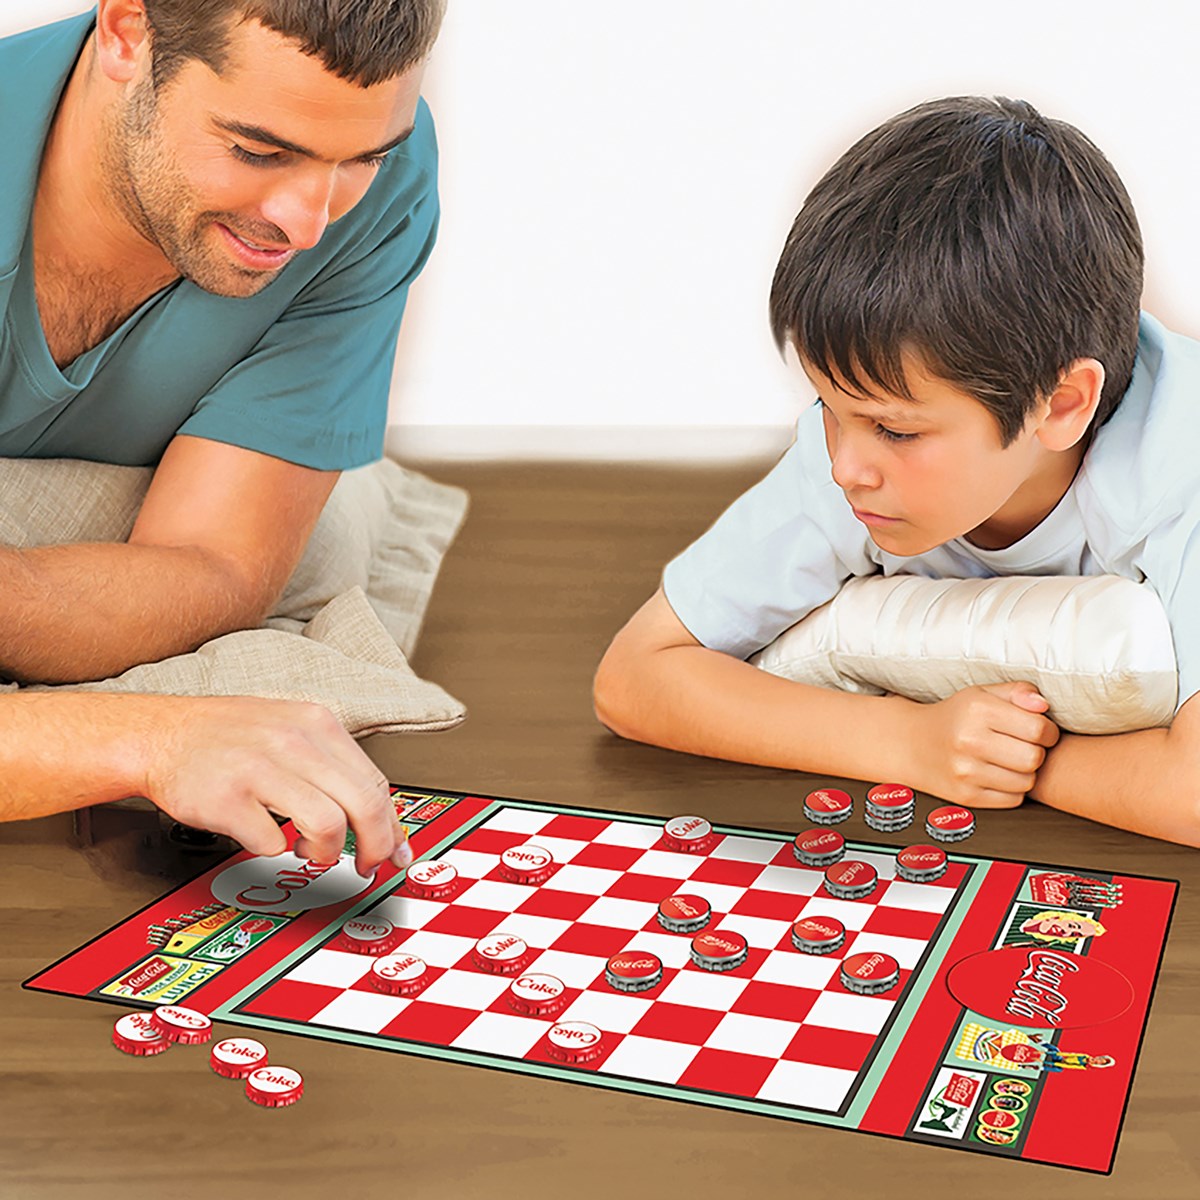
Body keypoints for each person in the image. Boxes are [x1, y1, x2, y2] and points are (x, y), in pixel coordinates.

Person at [594, 96, 1200, 848]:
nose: (847, 467)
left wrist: (1010, 761)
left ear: (1061, 404)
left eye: (895, 429)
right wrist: (904, 741)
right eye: (827, 404)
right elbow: (633, 678)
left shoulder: (1180, 473)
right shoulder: (850, 452)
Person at [0, 0, 447, 872]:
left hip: (158, 539)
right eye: (257, 150)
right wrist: (142, 740)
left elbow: (220, 569)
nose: (310, 223)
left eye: (361, 158)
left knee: (326, 538)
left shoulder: (382, 191)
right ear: (128, 31)